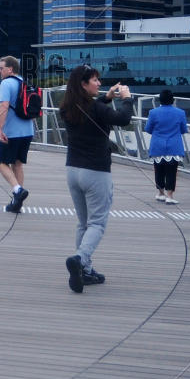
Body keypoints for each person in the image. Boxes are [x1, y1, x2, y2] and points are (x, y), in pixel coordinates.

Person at [58, 63, 133, 293]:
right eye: (95, 80)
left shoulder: (67, 107)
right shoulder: (96, 108)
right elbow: (123, 119)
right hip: (96, 172)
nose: (99, 83)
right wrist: (126, 98)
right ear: (84, 84)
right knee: (97, 223)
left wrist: (106, 98)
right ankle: (80, 259)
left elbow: (92, 110)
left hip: (73, 170)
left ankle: (86, 270)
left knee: (83, 223)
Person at [0, 55, 35, 212]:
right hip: (28, 131)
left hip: (12, 132)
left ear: (10, 69)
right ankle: (17, 203)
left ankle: (18, 190)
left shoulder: (6, 83)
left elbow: (4, 106)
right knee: (17, 164)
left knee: (1, 162)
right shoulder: (25, 83)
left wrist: (0, 128)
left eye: (1, 68)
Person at [143, 88, 188, 205]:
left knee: (158, 170)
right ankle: (170, 196)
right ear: (172, 100)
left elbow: (148, 129)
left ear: (160, 100)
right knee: (172, 172)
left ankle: (160, 193)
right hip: (174, 146)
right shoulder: (180, 113)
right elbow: (184, 129)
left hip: (157, 145)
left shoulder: (153, 112)